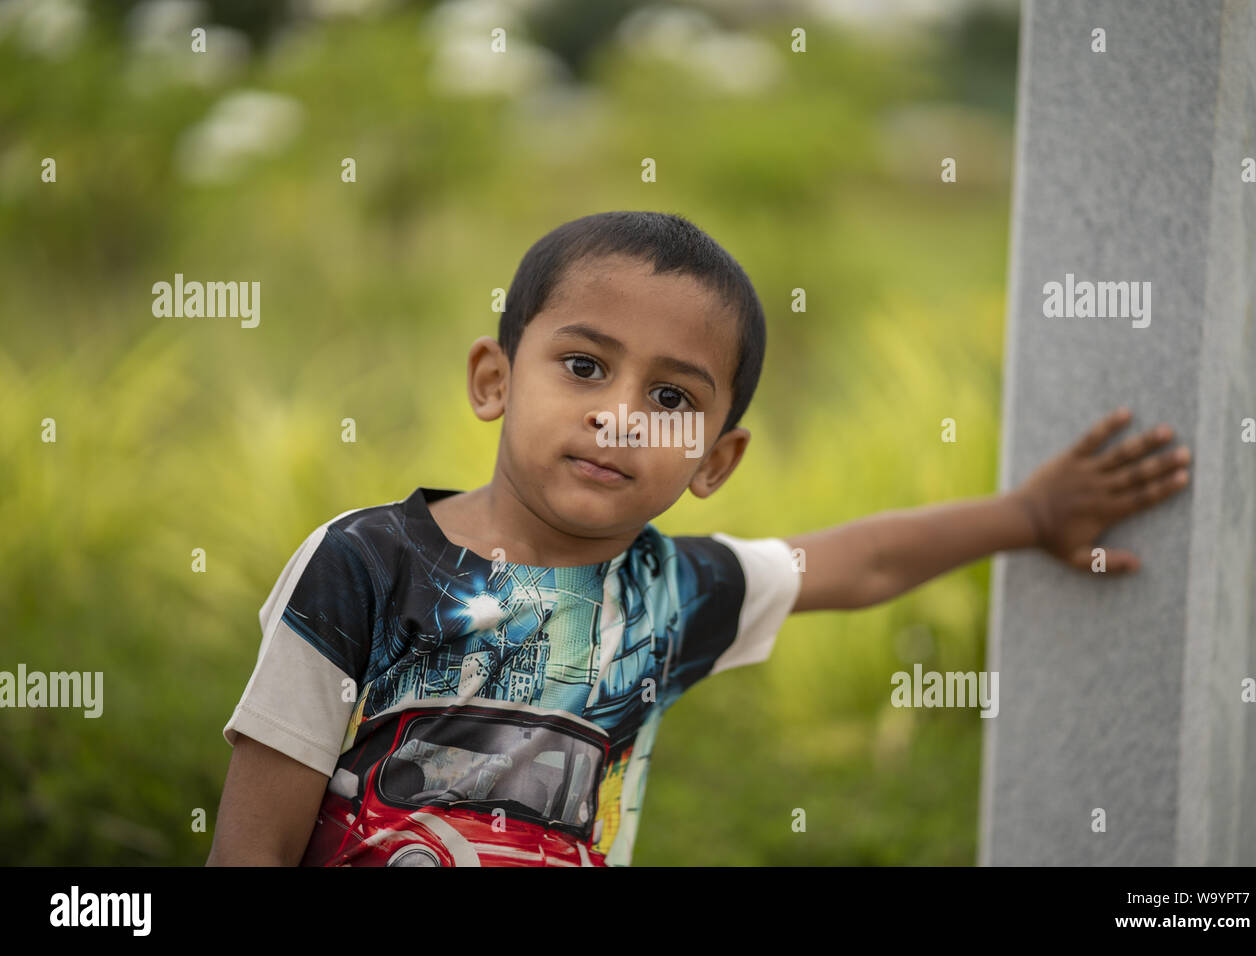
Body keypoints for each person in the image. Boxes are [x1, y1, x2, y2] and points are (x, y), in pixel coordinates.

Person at [206, 210, 1192, 866]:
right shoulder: (363, 563)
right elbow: (252, 842)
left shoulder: (671, 590)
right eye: (585, 365)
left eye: (671, 396)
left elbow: (861, 560)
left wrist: (1026, 515)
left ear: (713, 460)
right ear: (495, 380)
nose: (623, 415)